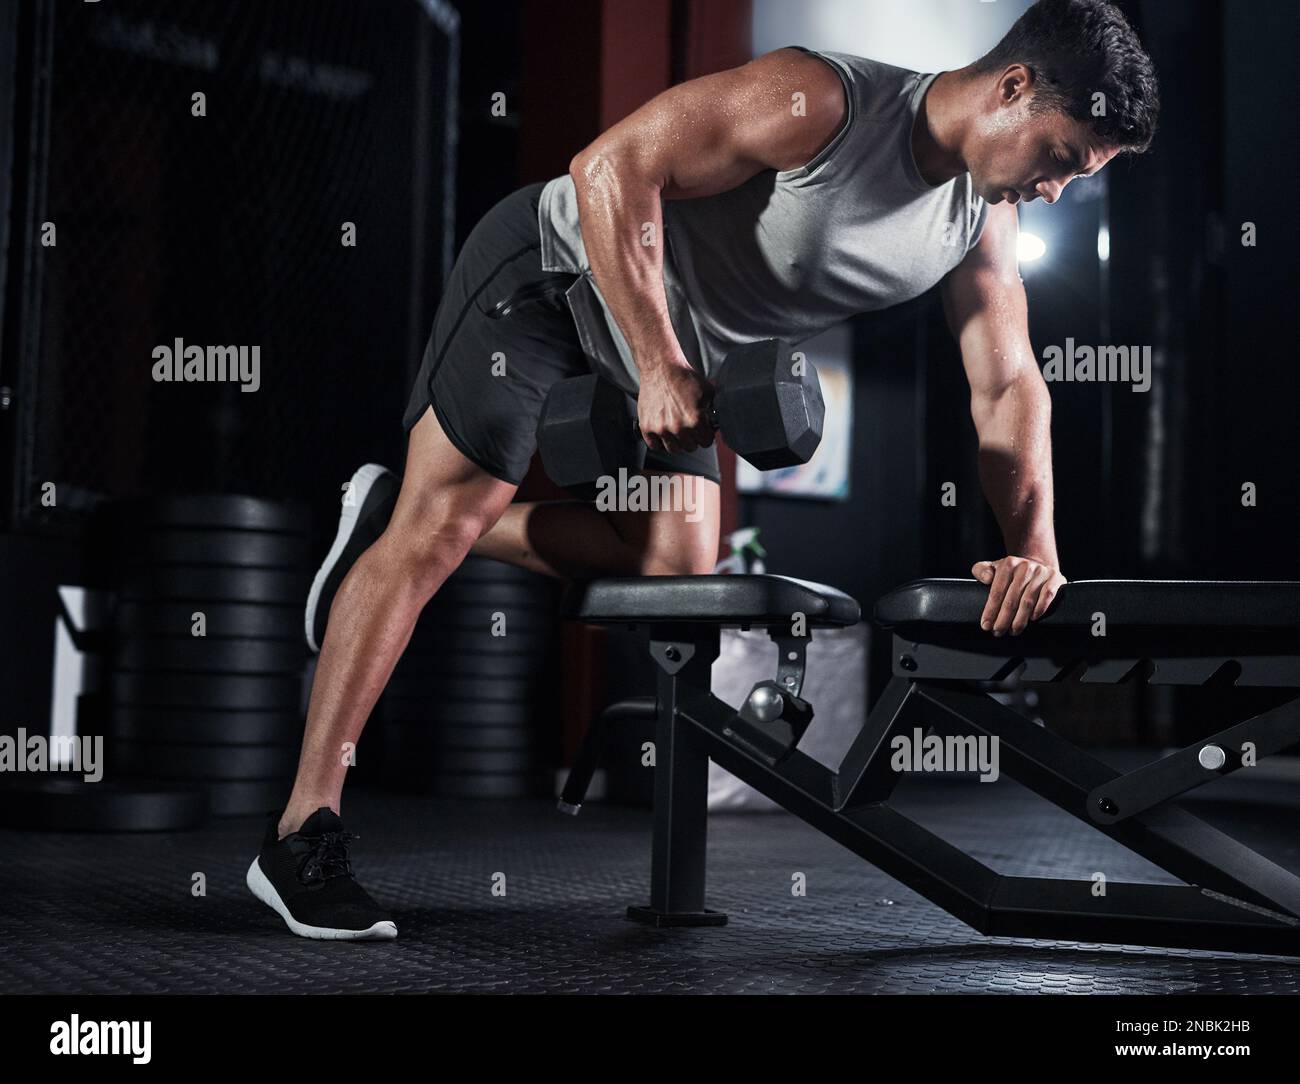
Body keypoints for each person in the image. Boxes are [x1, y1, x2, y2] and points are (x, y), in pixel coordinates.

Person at [246, 0, 1159, 940]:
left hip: (685, 356)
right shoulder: (821, 102)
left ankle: (392, 508)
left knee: (671, 576)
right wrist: (654, 360)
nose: (1053, 190)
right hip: (556, 276)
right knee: (442, 526)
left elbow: (1009, 386)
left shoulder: (982, 218)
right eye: (1058, 158)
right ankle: (300, 834)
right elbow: (610, 168)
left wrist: (1034, 549)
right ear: (1013, 88)